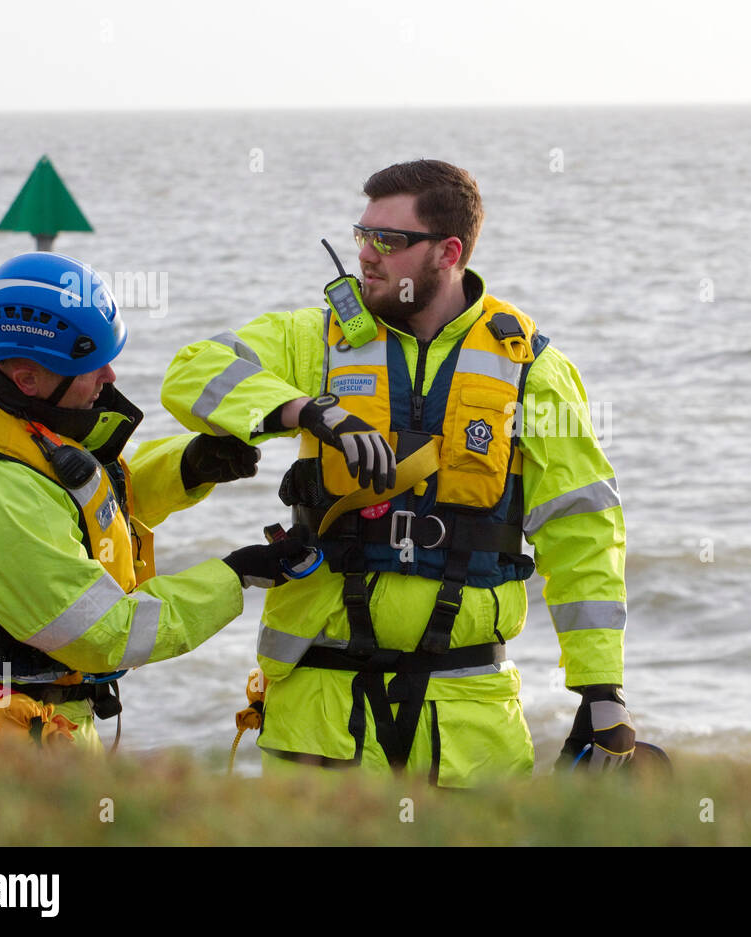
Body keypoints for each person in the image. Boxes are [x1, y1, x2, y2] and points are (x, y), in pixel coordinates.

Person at [161, 159, 633, 786]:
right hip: (317, 718)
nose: (367, 255)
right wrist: (307, 411)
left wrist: (601, 691)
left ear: (449, 251)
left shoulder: (531, 369)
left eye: (389, 240)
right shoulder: (314, 339)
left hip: (468, 726)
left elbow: (583, 534)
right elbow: (192, 371)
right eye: (361, 236)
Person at [0, 252, 312, 752]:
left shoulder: (6, 404)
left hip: (43, 718)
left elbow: (83, 503)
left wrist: (187, 467)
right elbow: (104, 634)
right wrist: (236, 574)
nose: (111, 376)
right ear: (27, 377)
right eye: (90, 365)